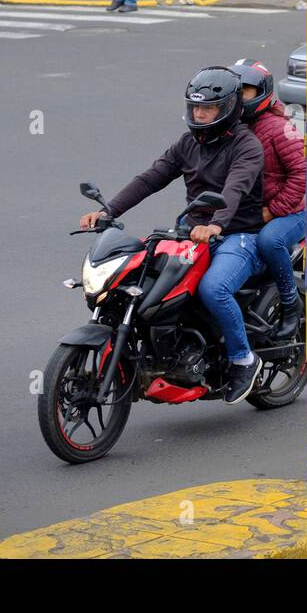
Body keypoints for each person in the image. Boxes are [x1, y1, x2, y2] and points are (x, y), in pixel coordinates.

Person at [77, 67, 266, 404]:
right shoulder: (188, 143)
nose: (200, 114)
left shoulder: (246, 145)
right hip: (191, 233)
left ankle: (243, 360)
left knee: (214, 288)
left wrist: (217, 224)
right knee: (145, 283)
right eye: (195, 108)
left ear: (229, 108)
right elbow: (151, 178)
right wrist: (109, 212)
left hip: (238, 235)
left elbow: (236, 188)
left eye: (208, 108)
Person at [231, 59, 305, 338]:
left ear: (261, 92)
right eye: (235, 90)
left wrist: (272, 212)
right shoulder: (230, 125)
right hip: (248, 209)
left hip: (290, 213)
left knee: (269, 240)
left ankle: (289, 302)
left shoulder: (279, 128)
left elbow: (301, 175)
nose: (239, 97)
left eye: (245, 91)